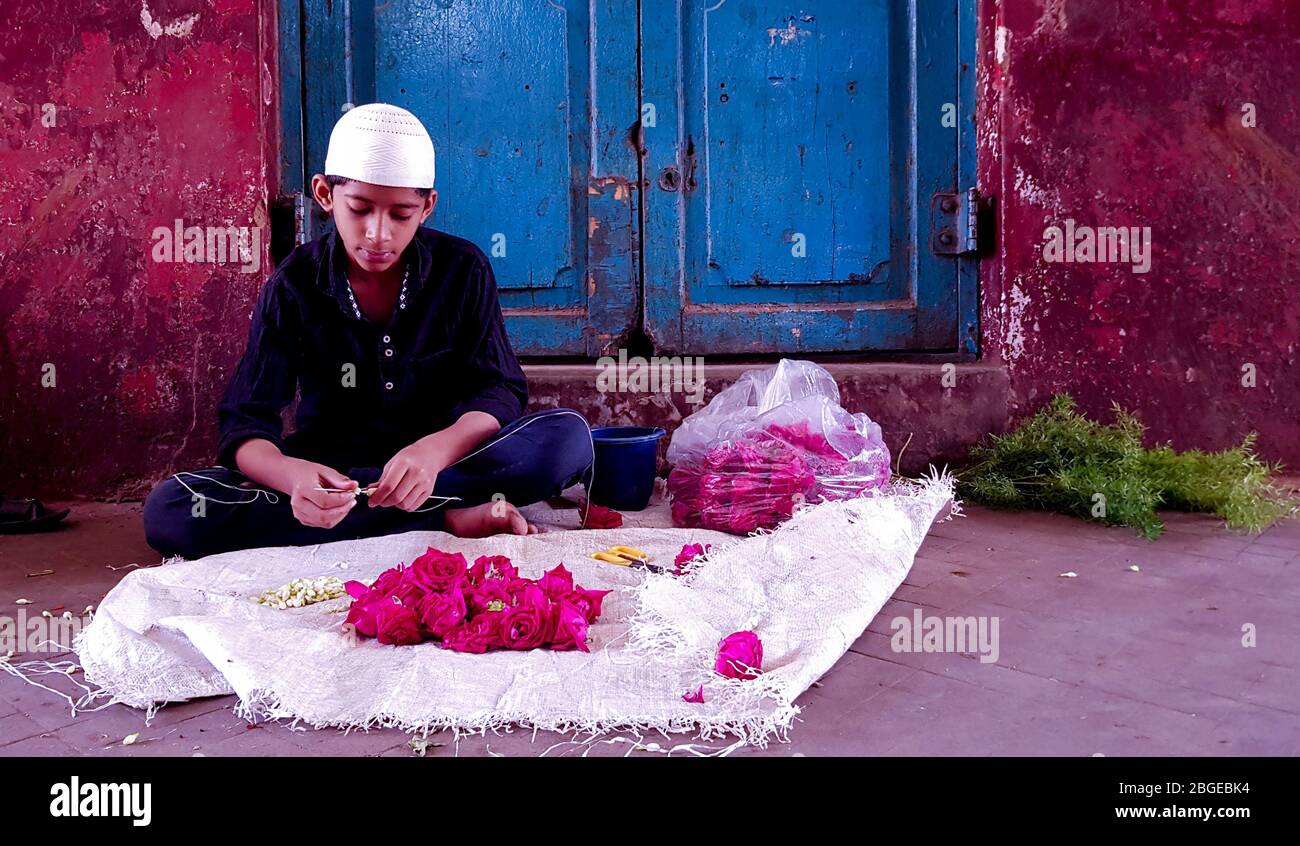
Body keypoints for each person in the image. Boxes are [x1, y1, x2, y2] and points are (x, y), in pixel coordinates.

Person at [144, 103, 593, 559]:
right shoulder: (294, 285)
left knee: (566, 440)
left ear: (427, 207)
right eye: (359, 209)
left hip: (445, 466)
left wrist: (433, 452)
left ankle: (396, 515)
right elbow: (245, 420)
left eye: (401, 214)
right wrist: (294, 478)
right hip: (334, 473)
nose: (378, 234)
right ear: (324, 194)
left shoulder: (463, 269)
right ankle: (437, 519)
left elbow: (499, 389)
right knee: (173, 509)